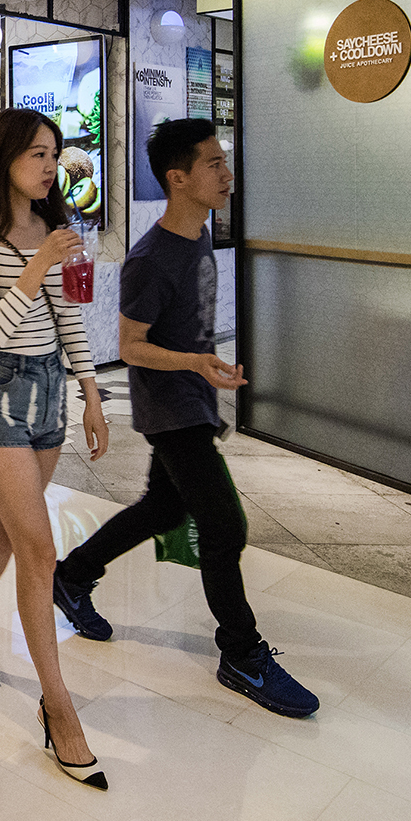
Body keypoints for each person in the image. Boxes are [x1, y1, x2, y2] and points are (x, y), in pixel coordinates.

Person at [53, 118, 318, 718]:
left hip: (190, 396)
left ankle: (71, 575)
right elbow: (130, 346)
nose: (227, 175)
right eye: (214, 165)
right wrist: (196, 363)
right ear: (179, 178)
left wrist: (202, 364)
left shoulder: (198, 234)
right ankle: (241, 652)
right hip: (169, 408)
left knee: (165, 507)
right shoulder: (149, 259)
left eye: (225, 163)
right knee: (225, 528)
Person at [0, 107, 110, 790]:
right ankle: (58, 706)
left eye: (54, 153)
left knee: (7, 534)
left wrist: (91, 389)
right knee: (40, 547)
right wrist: (37, 262)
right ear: (4, 156)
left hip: (49, 397)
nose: (50, 165)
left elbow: (70, 313)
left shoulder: (55, 226)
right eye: (37, 153)